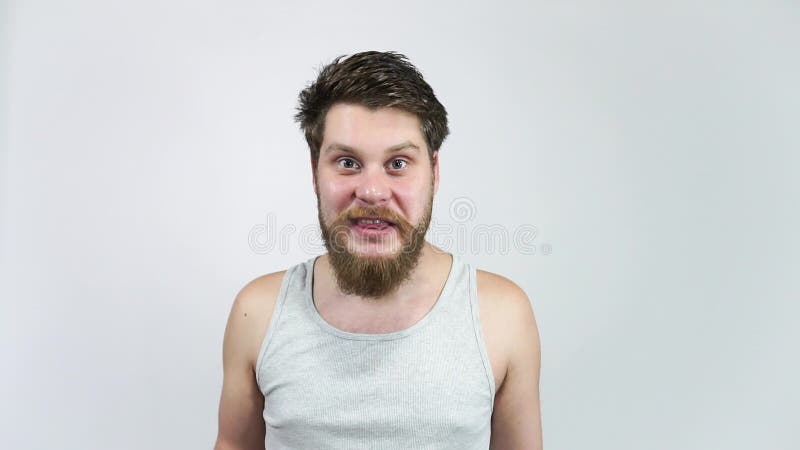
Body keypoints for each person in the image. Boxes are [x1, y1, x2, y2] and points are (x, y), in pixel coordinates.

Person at [214, 51, 542, 450]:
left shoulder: (502, 314)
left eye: (398, 163)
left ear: (434, 173)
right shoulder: (259, 312)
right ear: (315, 172)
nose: (371, 192)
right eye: (348, 162)